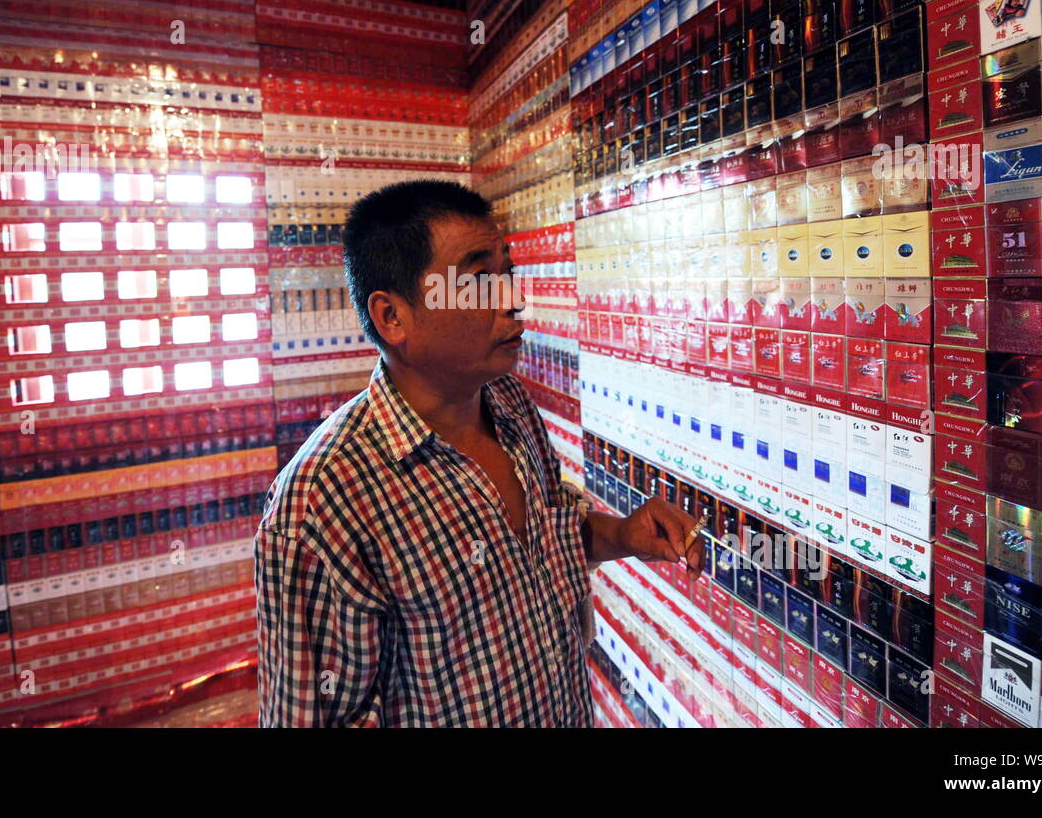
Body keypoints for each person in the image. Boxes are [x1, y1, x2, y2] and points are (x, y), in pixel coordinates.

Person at [254, 178, 706, 727]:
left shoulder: (510, 404)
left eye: (508, 274)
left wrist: (621, 536)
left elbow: (541, 547)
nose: (514, 299)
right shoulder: (322, 503)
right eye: (477, 282)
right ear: (392, 317)